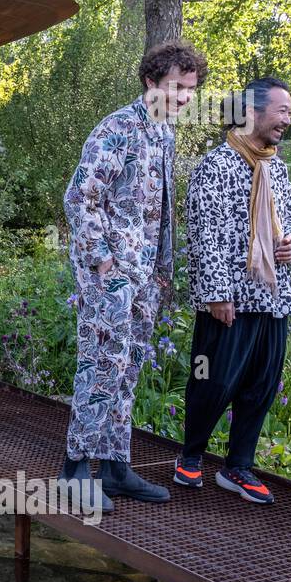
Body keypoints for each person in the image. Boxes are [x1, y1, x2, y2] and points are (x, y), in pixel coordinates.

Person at [60, 40, 206, 511]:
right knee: (100, 364)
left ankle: (117, 468)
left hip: (146, 279)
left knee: (128, 368)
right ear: (151, 81)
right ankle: (76, 469)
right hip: (111, 276)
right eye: (176, 87)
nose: (184, 97)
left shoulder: (163, 133)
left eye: (190, 89)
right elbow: (80, 198)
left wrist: (163, 272)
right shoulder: (117, 128)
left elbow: (157, 212)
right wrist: (102, 260)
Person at [175, 77, 291, 504]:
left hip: (273, 298)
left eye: (289, 112)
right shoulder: (215, 165)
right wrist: (216, 293)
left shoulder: (277, 167)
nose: (287, 120)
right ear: (252, 112)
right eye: (282, 111)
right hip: (229, 300)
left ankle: (237, 467)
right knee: (211, 379)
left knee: (261, 385)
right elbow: (204, 233)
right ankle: (191, 456)